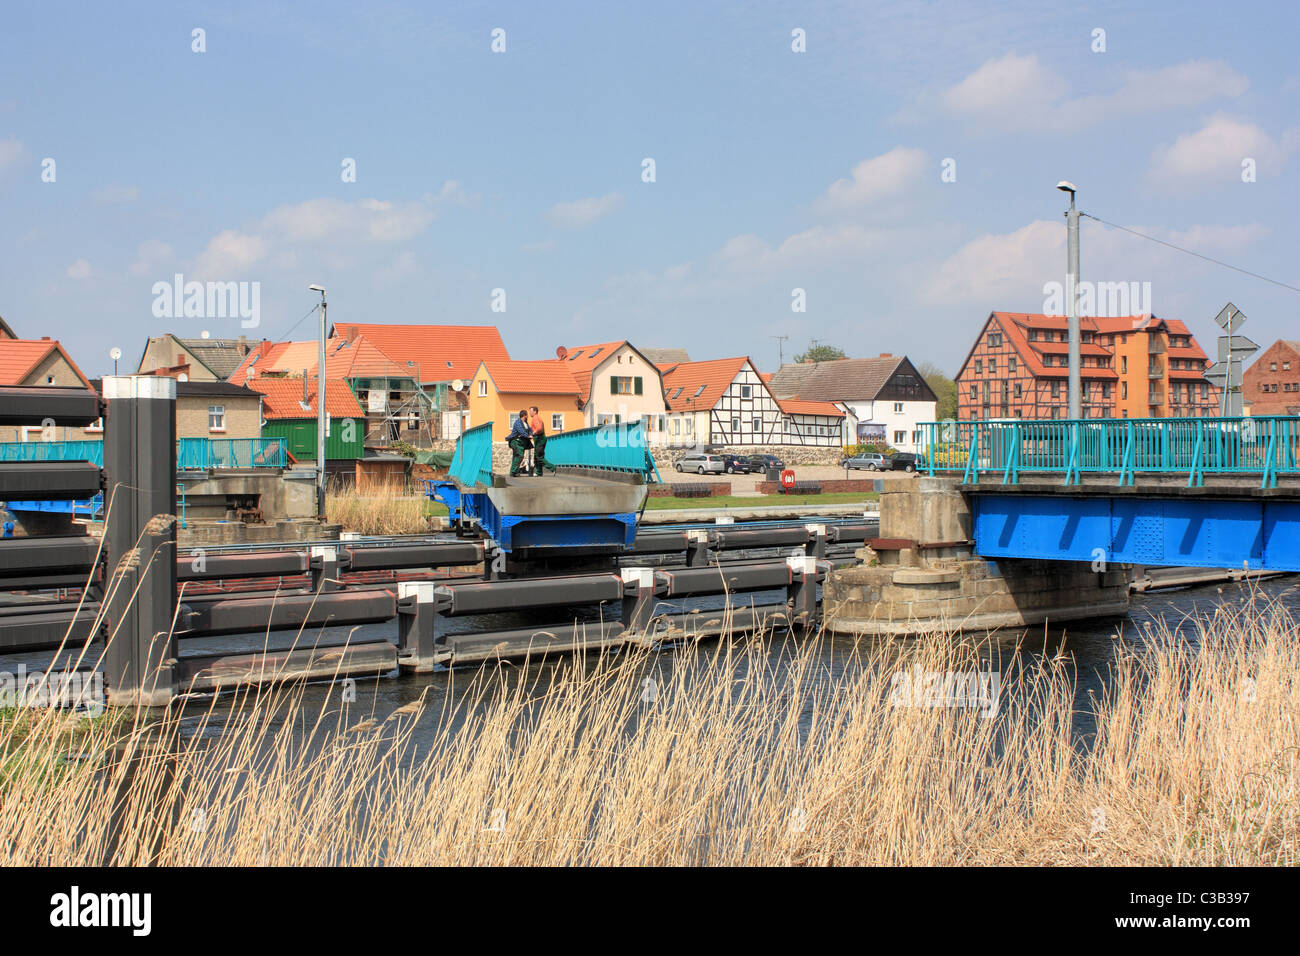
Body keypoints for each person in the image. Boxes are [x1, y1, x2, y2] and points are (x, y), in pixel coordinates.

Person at [528, 405, 554, 476]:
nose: (529, 412)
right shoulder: (536, 418)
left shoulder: (535, 418)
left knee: (539, 456)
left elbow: (539, 428)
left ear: (535, 411)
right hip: (539, 439)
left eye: (531, 411)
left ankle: (552, 467)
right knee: (537, 456)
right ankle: (539, 472)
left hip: (540, 439)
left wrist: (532, 434)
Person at [507, 410, 533, 477]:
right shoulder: (518, 422)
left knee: (516, 456)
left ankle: (513, 472)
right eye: (527, 415)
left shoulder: (525, 423)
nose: (528, 416)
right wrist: (528, 436)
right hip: (516, 441)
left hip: (522, 443)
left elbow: (530, 430)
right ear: (524, 415)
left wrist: (530, 434)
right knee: (519, 456)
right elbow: (521, 431)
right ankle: (513, 471)